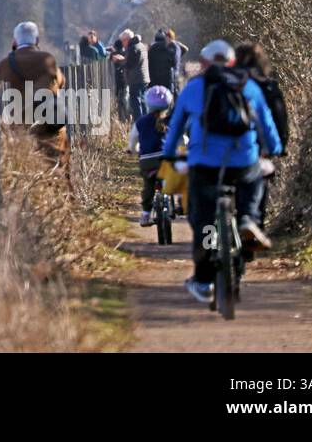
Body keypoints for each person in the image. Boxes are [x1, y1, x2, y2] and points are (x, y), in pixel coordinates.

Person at [160, 40, 283, 305]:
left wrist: (169, 154)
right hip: (243, 161)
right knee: (254, 179)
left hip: (204, 163)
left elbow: (175, 126)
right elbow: (267, 124)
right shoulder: (248, 86)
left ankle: (203, 281)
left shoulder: (193, 89)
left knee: (203, 220)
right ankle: (248, 219)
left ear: (203, 64)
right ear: (231, 62)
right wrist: (273, 149)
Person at [0, 21, 69, 175]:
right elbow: (61, 82)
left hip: (17, 130)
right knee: (55, 167)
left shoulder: (5, 64)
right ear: (37, 41)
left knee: (23, 170)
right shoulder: (47, 60)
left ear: (14, 42)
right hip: (47, 125)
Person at [234, 41, 288, 222]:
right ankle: (252, 225)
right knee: (256, 192)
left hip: (225, 147)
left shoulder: (225, 84)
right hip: (258, 148)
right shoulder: (268, 87)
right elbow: (278, 119)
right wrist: (279, 145)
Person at [129, 84, 174, 226]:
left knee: (148, 186)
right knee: (174, 177)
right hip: (166, 158)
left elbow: (132, 142)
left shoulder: (141, 122)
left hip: (147, 161)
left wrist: (132, 150)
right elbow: (180, 138)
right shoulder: (171, 121)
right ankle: (177, 202)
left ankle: (145, 214)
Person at [121, 29, 150, 121]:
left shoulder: (133, 48)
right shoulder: (141, 45)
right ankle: (146, 120)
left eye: (123, 41)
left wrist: (120, 61)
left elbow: (130, 64)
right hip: (144, 77)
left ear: (127, 39)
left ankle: (139, 122)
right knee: (143, 101)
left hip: (136, 79)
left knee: (136, 102)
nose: (122, 43)